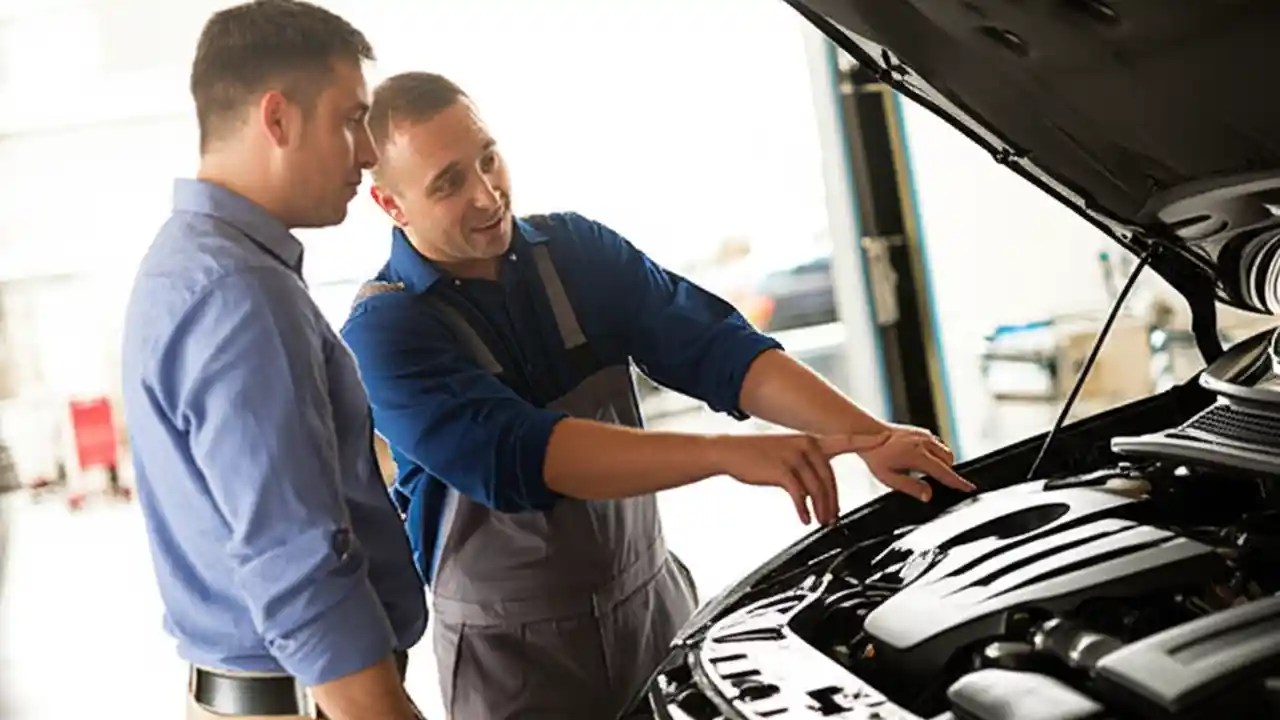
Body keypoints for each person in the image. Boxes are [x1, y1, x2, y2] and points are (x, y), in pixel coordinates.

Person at [341, 71, 974, 719]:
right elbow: (516, 459)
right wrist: (727, 454)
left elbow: (720, 350)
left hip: (653, 608)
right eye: (448, 183)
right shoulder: (387, 330)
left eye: (488, 158)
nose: (486, 194)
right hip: (515, 655)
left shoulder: (577, 252)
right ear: (391, 205)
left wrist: (871, 437)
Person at [119, 3, 427, 718]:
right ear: (278, 119)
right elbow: (299, 562)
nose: (366, 152)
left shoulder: (187, 262)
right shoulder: (240, 294)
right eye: (351, 120)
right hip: (311, 699)